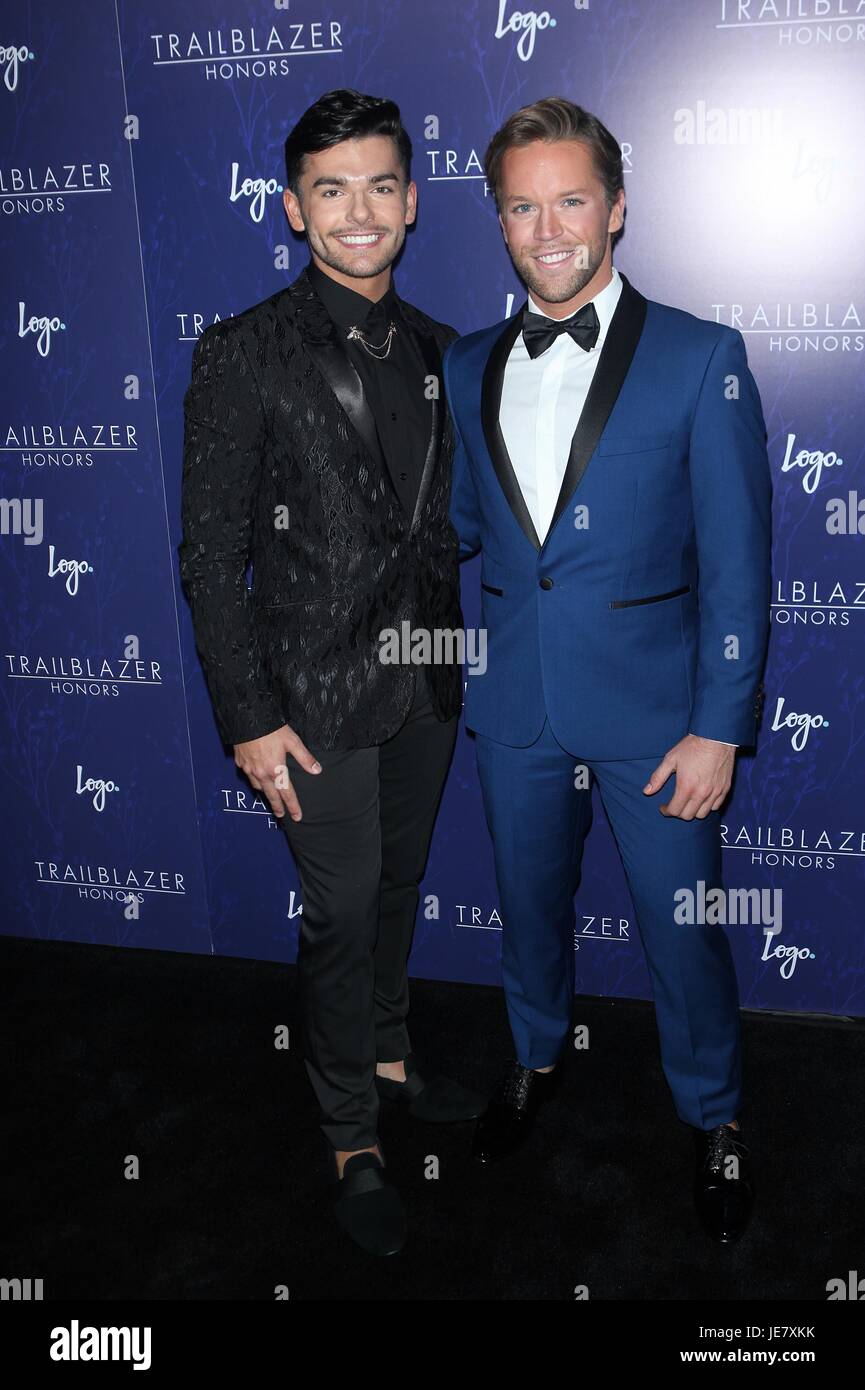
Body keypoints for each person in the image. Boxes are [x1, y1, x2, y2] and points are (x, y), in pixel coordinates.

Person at [443, 97, 771, 1244]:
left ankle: (716, 1117)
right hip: (518, 707)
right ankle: (534, 1059)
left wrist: (719, 727)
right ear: (498, 221)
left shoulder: (699, 357)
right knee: (527, 914)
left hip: (658, 718)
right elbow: (460, 532)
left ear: (617, 207)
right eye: (521, 207)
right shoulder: (467, 363)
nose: (547, 228)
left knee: (685, 930)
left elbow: (738, 564)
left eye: (570, 199)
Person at [179, 88, 483, 1258]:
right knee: (343, 910)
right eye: (329, 189)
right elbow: (212, 556)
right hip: (309, 696)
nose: (358, 211)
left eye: (379, 185)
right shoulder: (243, 349)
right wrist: (247, 718)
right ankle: (349, 1131)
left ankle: (392, 1049)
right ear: (296, 210)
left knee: (400, 881)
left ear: (410, 202)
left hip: (427, 676)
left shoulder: (445, 352)